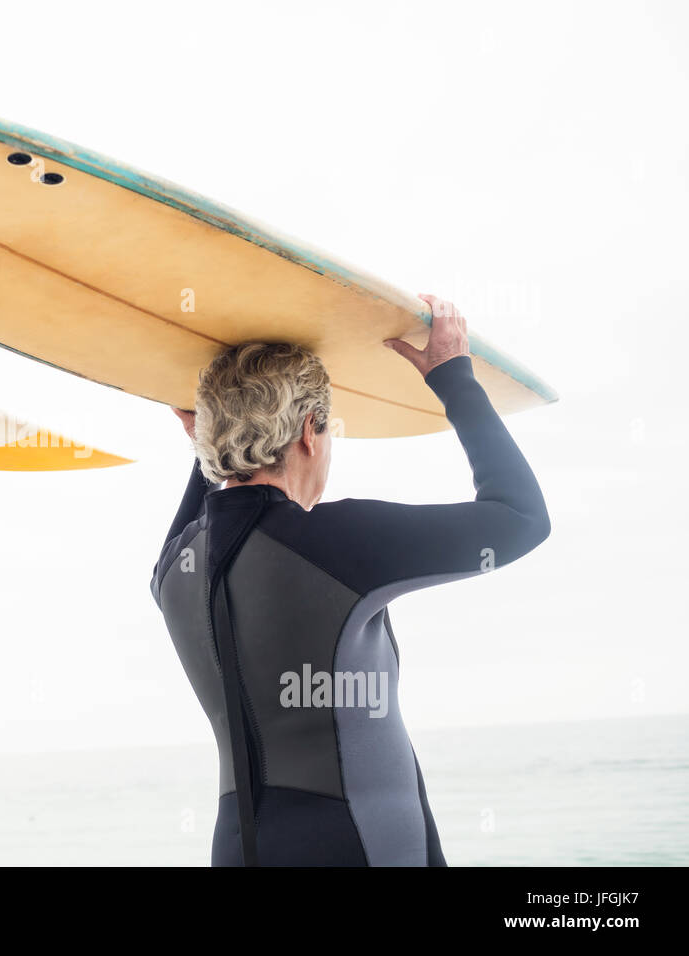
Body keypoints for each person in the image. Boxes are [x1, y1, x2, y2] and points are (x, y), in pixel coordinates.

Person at [150, 295, 550, 866]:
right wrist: (453, 378)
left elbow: (210, 510)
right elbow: (522, 520)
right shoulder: (336, 542)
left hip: (238, 849)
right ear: (311, 431)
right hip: (357, 844)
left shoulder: (175, 569)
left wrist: (207, 442)